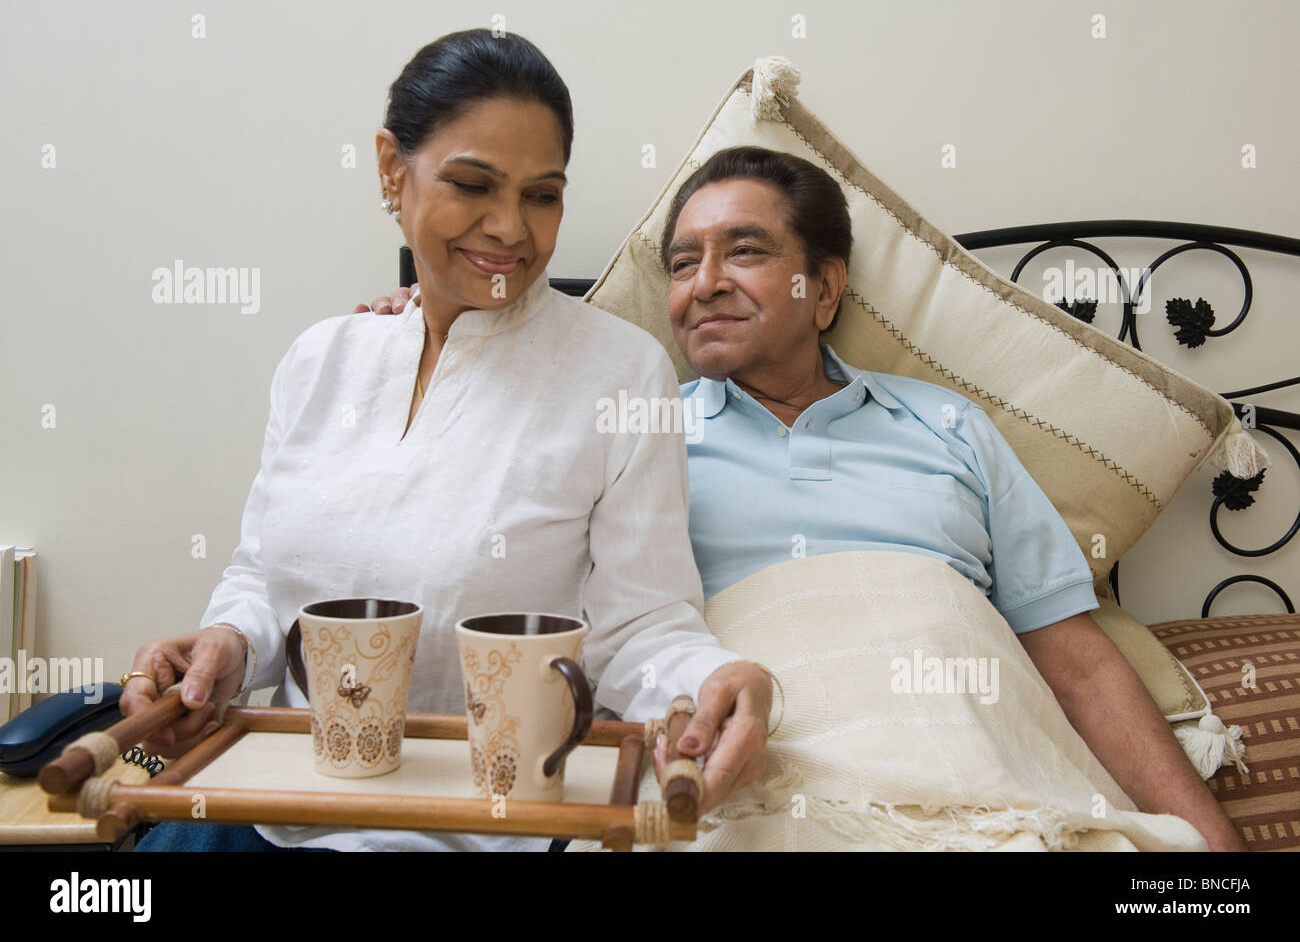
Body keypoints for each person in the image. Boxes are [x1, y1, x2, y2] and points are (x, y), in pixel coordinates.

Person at [365, 145, 1247, 851]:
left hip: (987, 778)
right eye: (681, 263)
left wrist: (1217, 860)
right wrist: (424, 330)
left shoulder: (948, 426)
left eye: (744, 250)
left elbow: (1078, 659)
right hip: (764, 787)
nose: (702, 281)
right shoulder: (635, 433)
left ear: (825, 288)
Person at [122, 30, 772, 853]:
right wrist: (227, 640)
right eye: (472, 184)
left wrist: (717, 680)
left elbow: (641, 625)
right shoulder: (322, 359)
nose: (511, 229)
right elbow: (263, 572)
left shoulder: (620, 375)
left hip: (476, 829)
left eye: (543, 195)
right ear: (393, 169)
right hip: (273, 806)